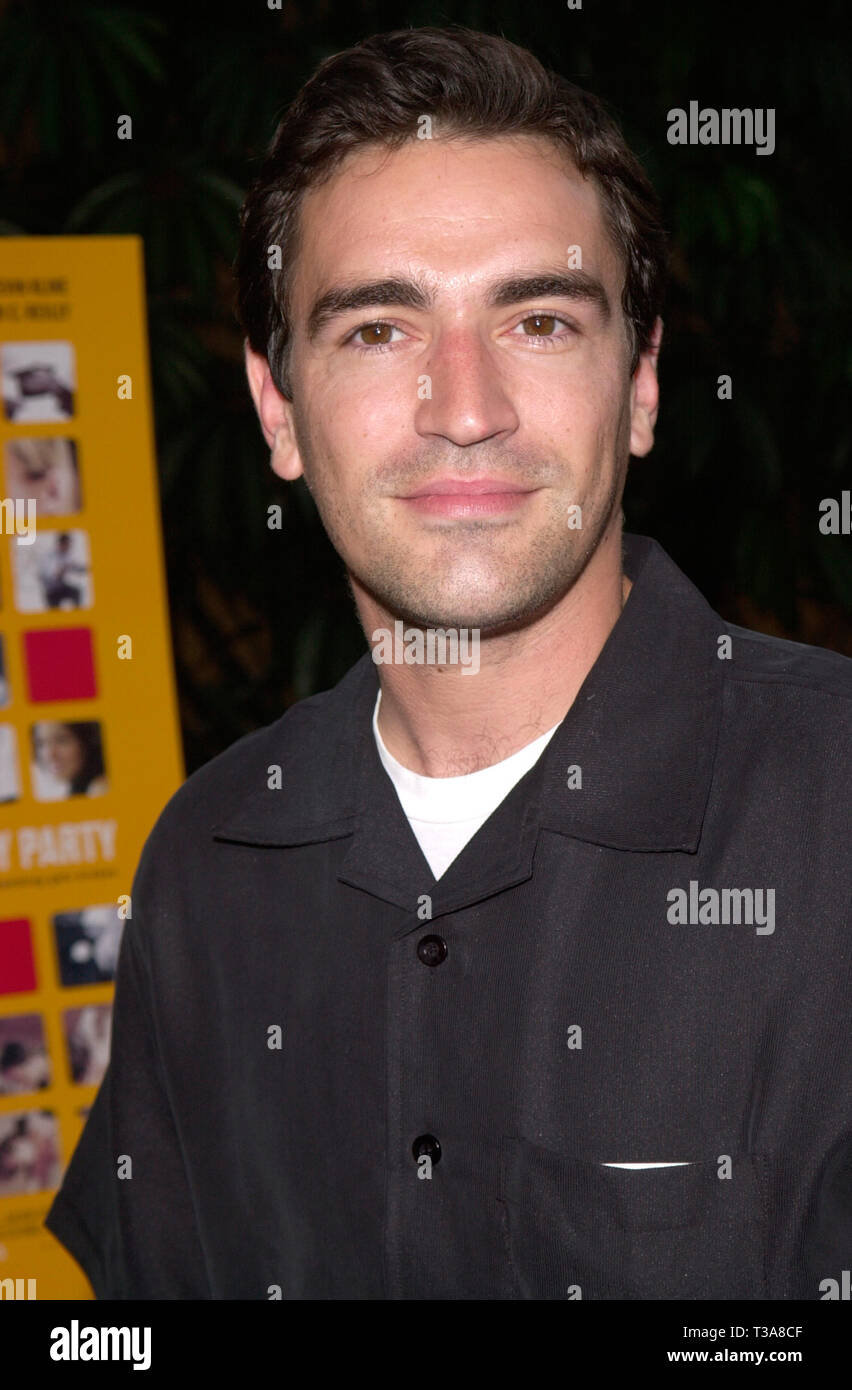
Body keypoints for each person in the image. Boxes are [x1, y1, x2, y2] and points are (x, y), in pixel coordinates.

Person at [45, 25, 851, 1300]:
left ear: (640, 384)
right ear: (277, 407)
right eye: (377, 331)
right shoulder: (209, 861)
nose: (463, 405)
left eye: (537, 319)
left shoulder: (832, 821)